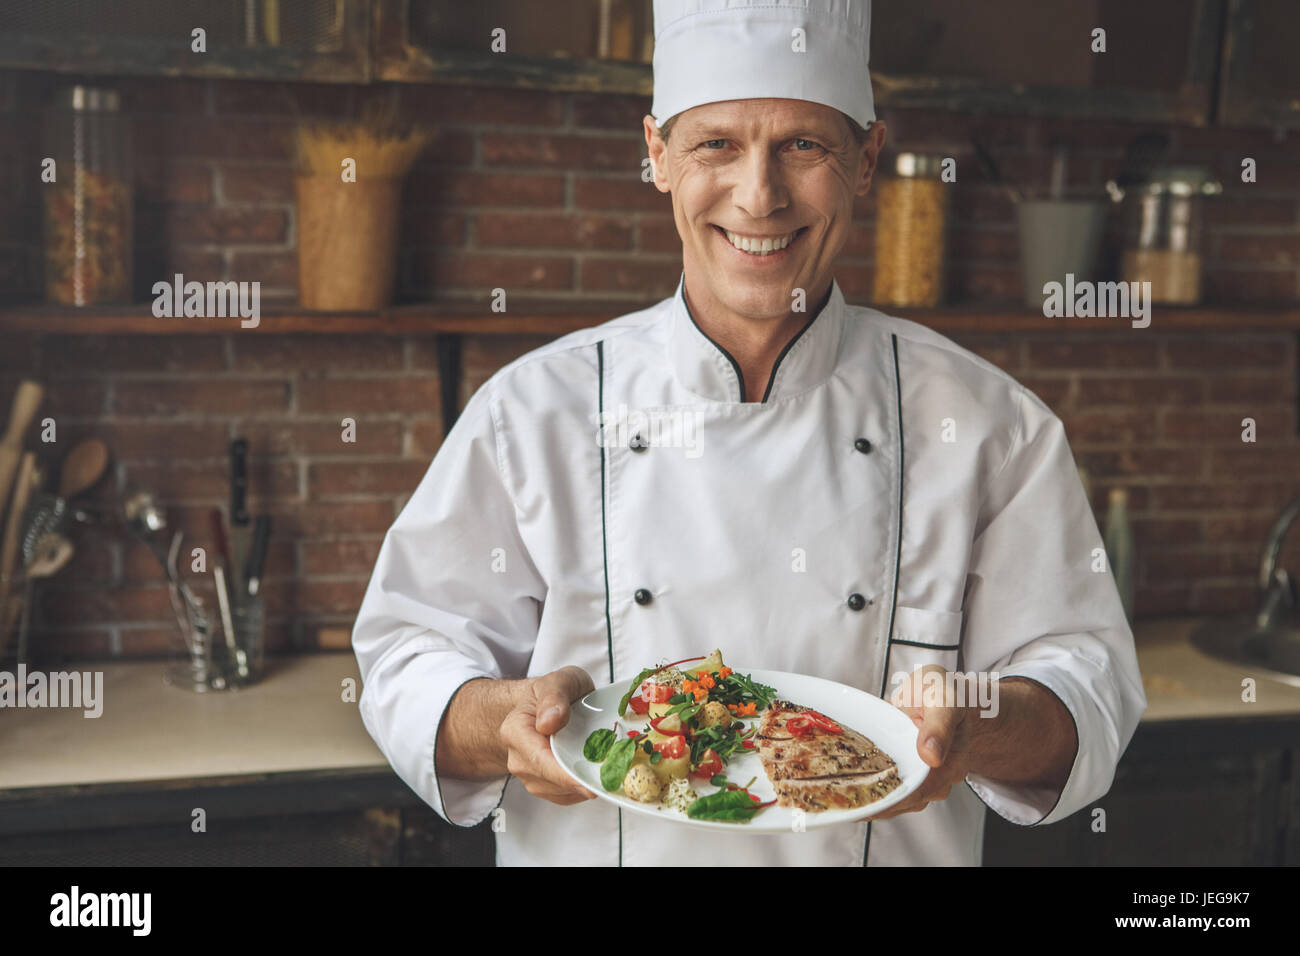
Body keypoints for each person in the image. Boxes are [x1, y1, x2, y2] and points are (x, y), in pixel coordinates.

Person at [352, 0, 1146, 866]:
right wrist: (500, 721)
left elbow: (1089, 681)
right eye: (716, 144)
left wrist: (982, 723)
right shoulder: (535, 411)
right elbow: (407, 650)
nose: (759, 195)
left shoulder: (991, 425)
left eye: (804, 145)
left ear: (867, 159)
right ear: (657, 154)